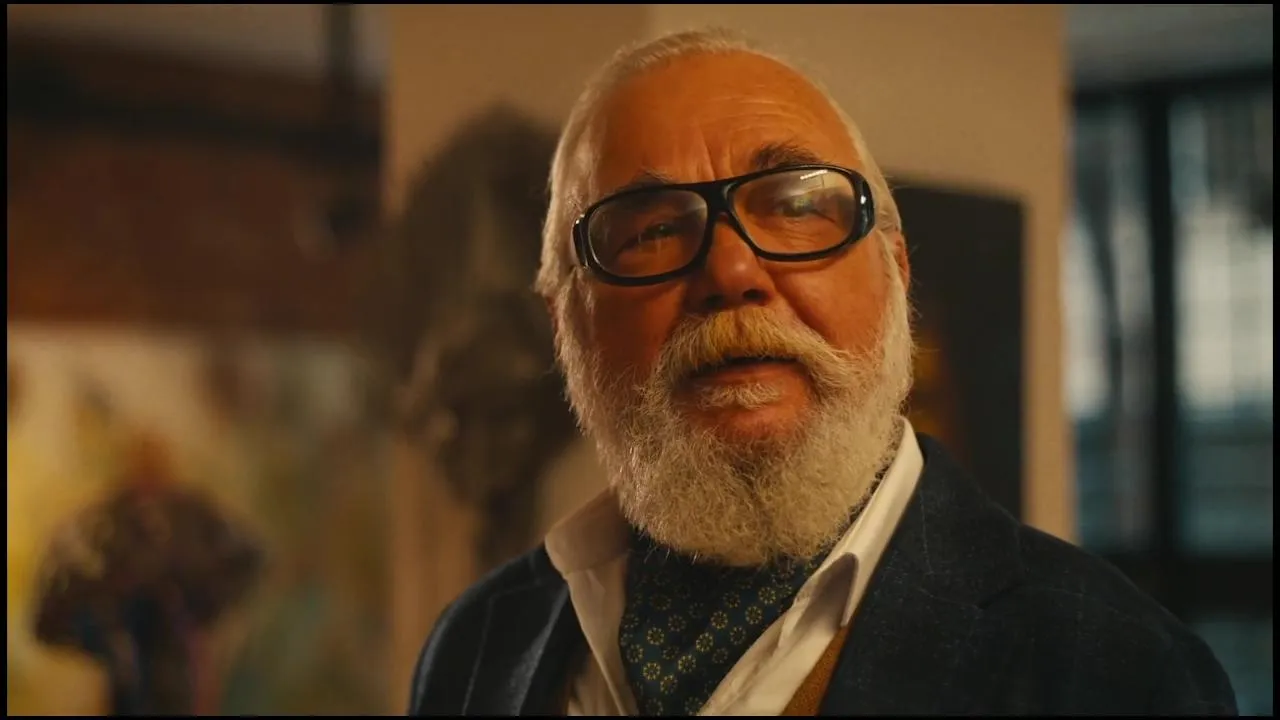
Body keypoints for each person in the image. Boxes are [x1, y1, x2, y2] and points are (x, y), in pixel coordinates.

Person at [407, 28, 1237, 716]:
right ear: (565, 326)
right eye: (651, 231)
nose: (731, 271)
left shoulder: (1116, 673)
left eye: (799, 207)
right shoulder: (477, 648)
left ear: (897, 274)